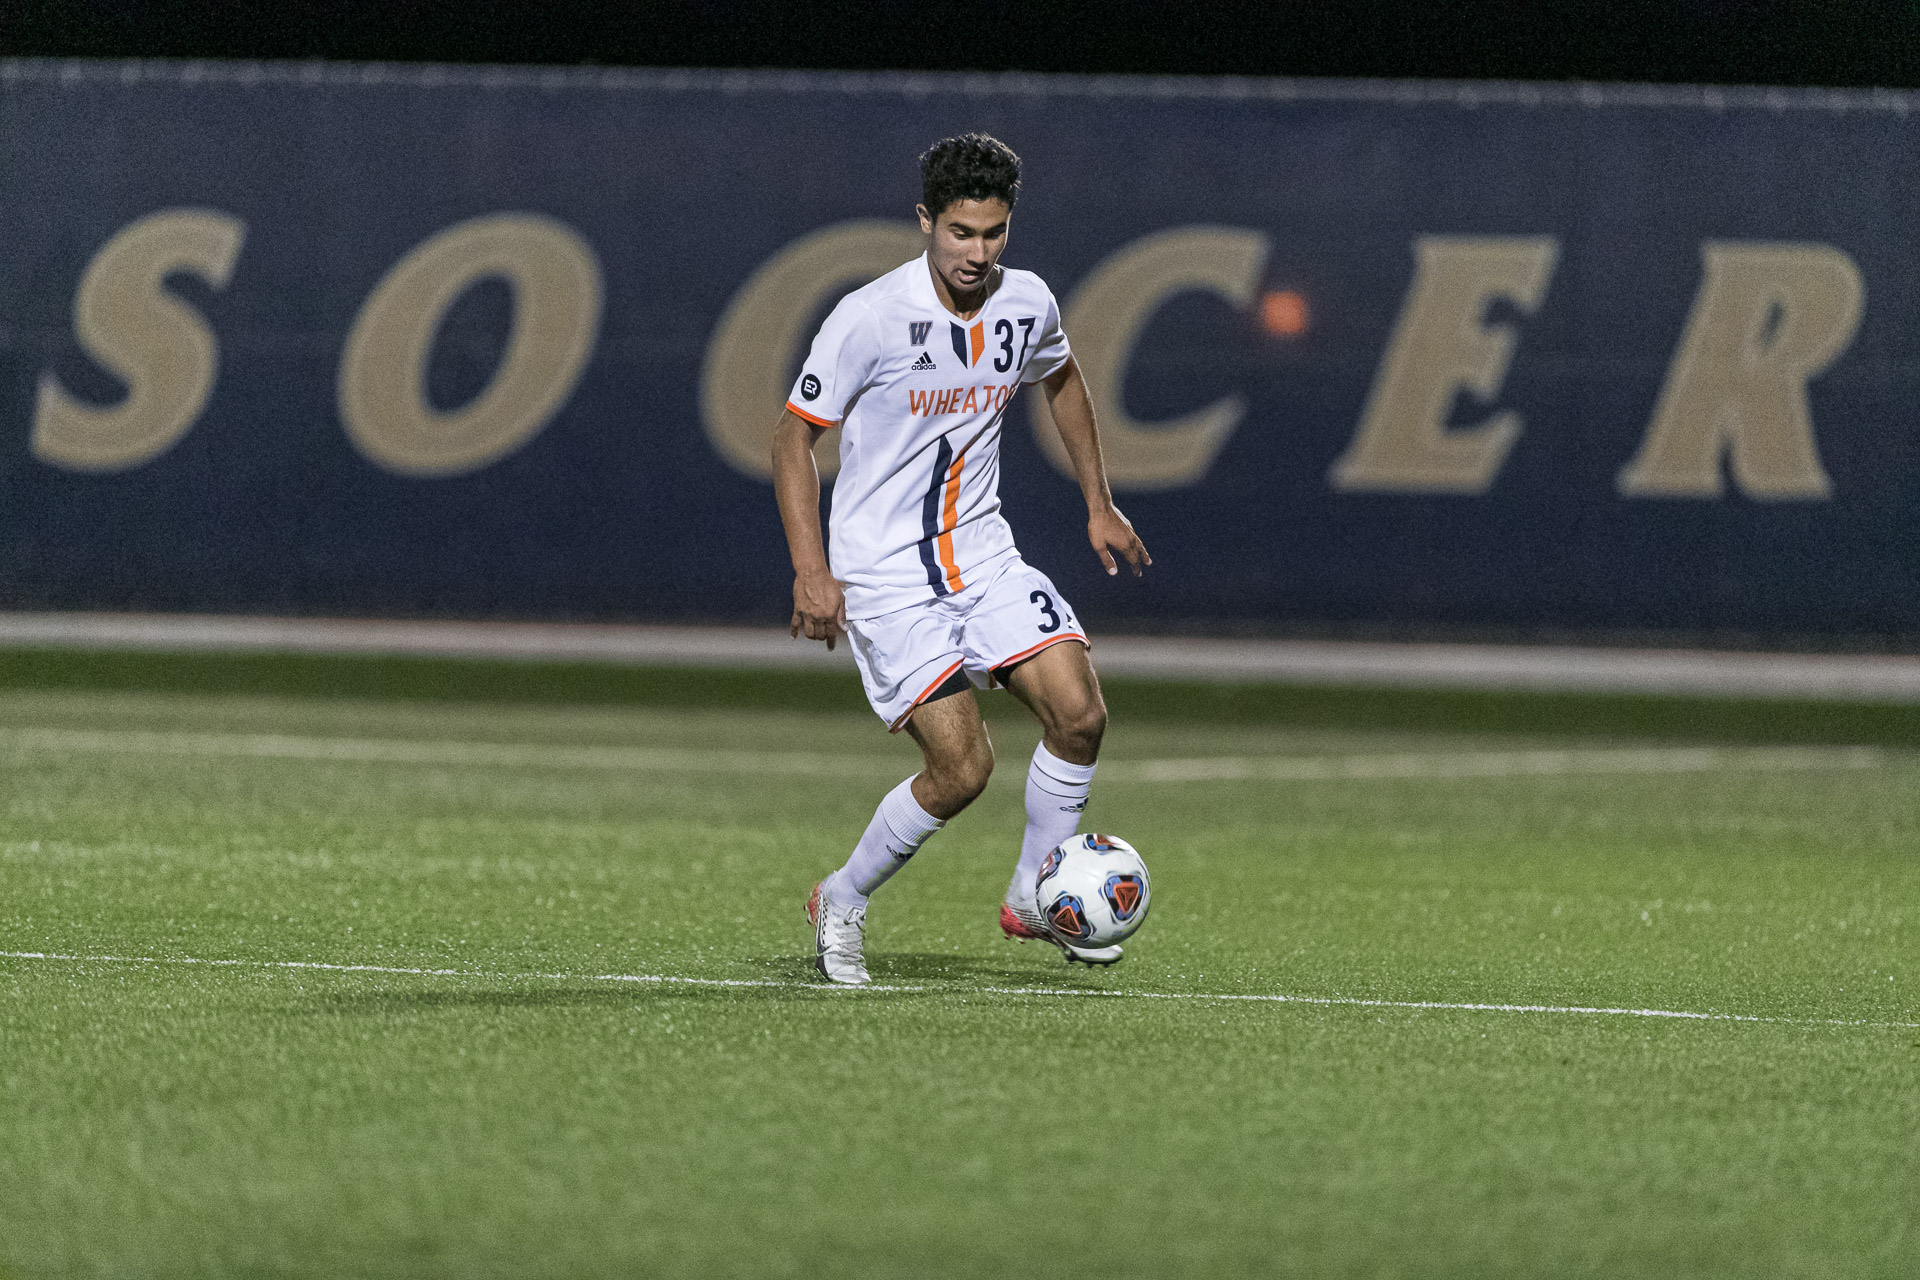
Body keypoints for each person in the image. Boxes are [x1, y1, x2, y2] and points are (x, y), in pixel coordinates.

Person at [772, 132, 1150, 986]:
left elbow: (1062, 379)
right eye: (960, 234)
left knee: (1081, 714)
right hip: (886, 577)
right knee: (963, 769)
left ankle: (1030, 898)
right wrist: (811, 571)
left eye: (994, 233)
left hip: (983, 555)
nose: (978, 253)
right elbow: (792, 441)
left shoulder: (1028, 303)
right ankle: (843, 896)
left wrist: (1098, 502)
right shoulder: (870, 317)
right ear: (925, 224)